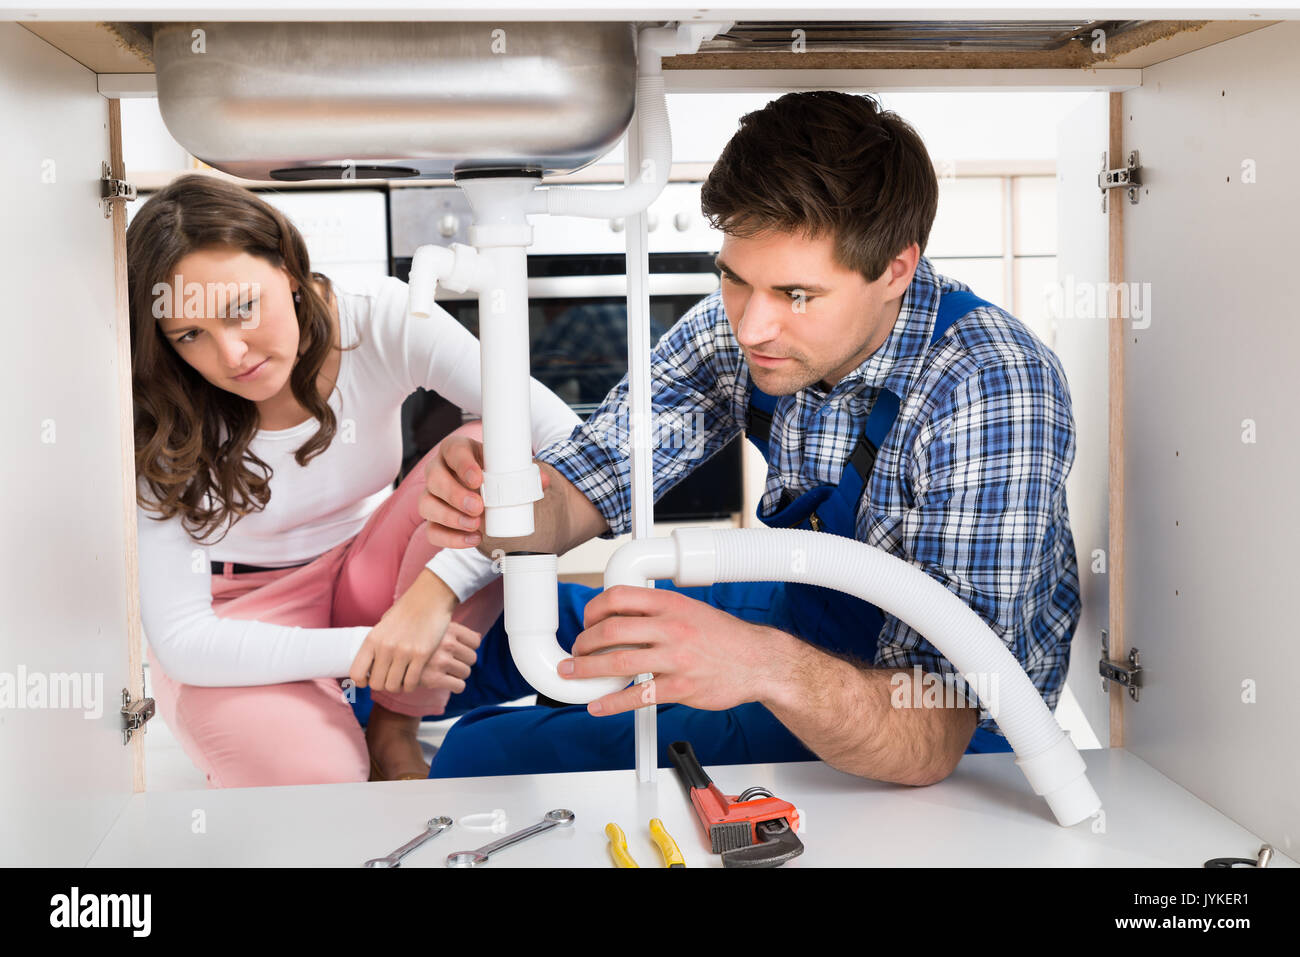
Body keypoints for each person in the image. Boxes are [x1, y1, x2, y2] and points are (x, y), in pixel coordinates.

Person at [417, 90, 1082, 787]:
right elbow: (597, 474)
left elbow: (935, 726)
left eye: (798, 295)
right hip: (802, 609)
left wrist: (758, 663)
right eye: (735, 279)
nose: (752, 326)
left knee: (483, 755)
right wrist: (507, 503)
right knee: (494, 621)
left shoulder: (987, 391)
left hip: (929, 731)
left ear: (896, 268)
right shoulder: (747, 323)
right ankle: (352, 715)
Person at [129, 174, 575, 787]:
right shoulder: (154, 408)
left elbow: (562, 434)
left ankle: (392, 727)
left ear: (287, 268)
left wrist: (434, 593)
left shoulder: (380, 318)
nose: (231, 354)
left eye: (241, 308)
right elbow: (183, 638)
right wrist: (365, 646)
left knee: (485, 447)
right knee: (326, 784)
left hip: (367, 569)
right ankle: (338, 716)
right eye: (190, 335)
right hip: (239, 614)